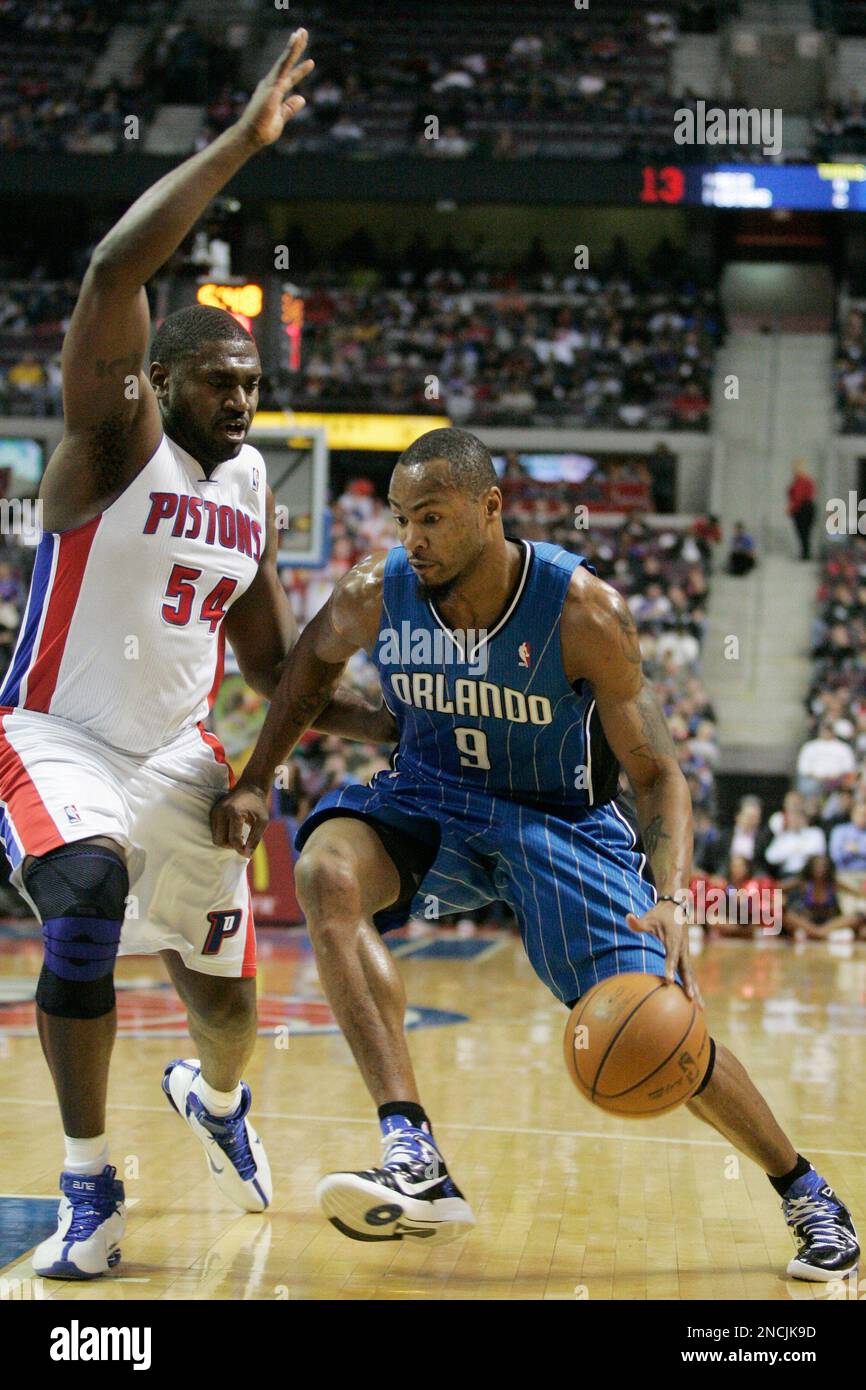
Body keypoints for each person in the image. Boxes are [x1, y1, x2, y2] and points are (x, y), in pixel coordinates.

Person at [213, 426, 859, 1281]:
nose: (413, 537)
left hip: (563, 822)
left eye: (433, 517)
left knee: (656, 1023)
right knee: (326, 872)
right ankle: (413, 1149)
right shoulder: (379, 591)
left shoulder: (581, 609)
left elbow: (659, 772)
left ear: (491, 508)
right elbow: (298, 679)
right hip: (431, 798)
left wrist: (670, 897)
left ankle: (803, 1187)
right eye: (404, 517)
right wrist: (261, 775)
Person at [0, 30, 392, 1280]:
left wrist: (405, 727)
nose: (242, 397)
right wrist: (244, 141)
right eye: (219, 378)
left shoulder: (252, 506)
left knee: (226, 1017)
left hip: (181, 757)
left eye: (254, 381)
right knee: (85, 895)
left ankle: (214, 1104)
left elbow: (285, 676)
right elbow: (116, 263)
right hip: (54, 734)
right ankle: (88, 1185)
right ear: (155, 380)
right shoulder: (111, 441)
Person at [787, 462, 817, 561]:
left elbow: (798, 497)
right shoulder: (808, 481)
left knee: (802, 531)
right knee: (806, 532)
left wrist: (791, 509)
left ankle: (805, 553)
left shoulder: (800, 482)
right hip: (808, 507)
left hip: (802, 509)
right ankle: (806, 552)